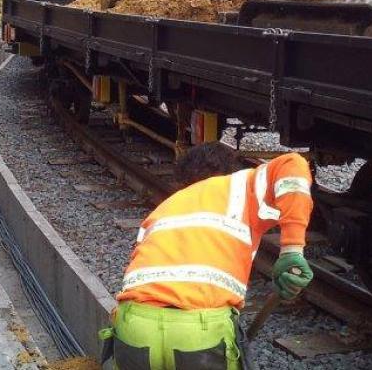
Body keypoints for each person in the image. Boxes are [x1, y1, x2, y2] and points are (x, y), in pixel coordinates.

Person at [100, 142, 315, 369]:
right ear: (229, 171)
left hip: (133, 327)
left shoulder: (163, 209)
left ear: (183, 182)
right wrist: (292, 249)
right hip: (197, 335)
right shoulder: (238, 186)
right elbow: (293, 165)